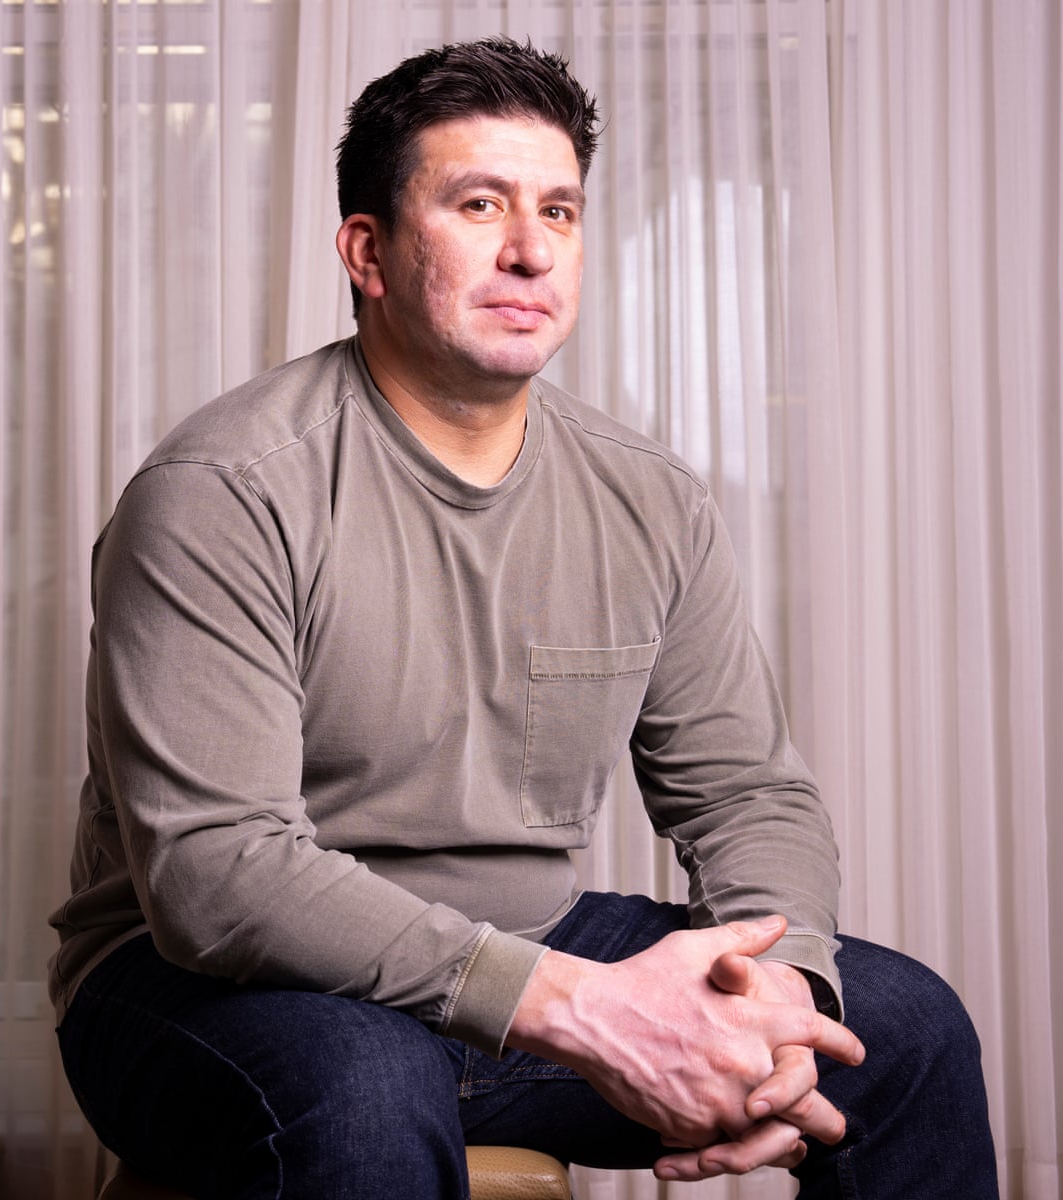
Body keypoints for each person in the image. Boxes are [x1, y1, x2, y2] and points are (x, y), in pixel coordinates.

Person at [50, 37, 998, 1199]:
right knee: (363, 1093)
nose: (531, 248)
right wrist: (583, 1009)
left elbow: (746, 793)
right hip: (218, 985)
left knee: (904, 1030)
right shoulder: (224, 491)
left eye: (559, 209)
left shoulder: (648, 498)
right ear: (367, 252)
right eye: (479, 204)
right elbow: (219, 874)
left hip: (528, 951)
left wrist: (780, 999)